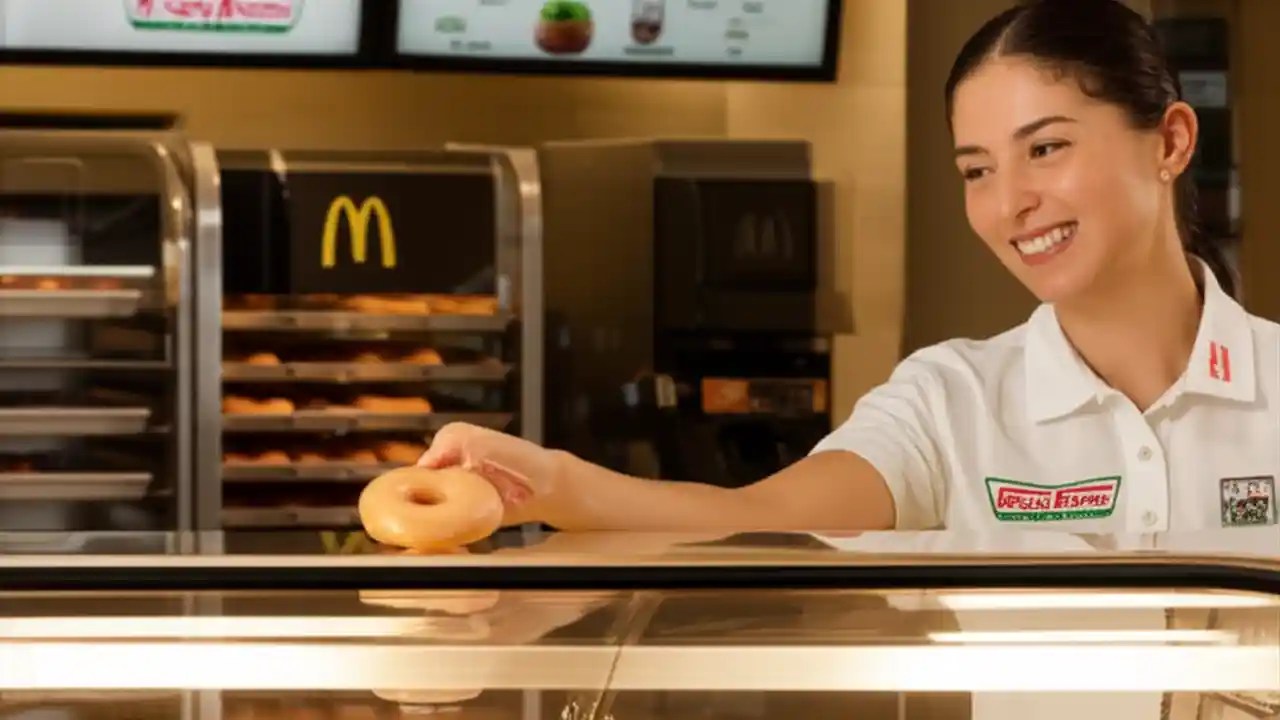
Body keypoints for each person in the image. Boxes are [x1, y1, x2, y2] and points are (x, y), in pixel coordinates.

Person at [416, 0, 1279, 535]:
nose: (1010, 202)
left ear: (1169, 141)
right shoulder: (950, 402)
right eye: (976, 170)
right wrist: (542, 479)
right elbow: (750, 517)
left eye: (1045, 148)